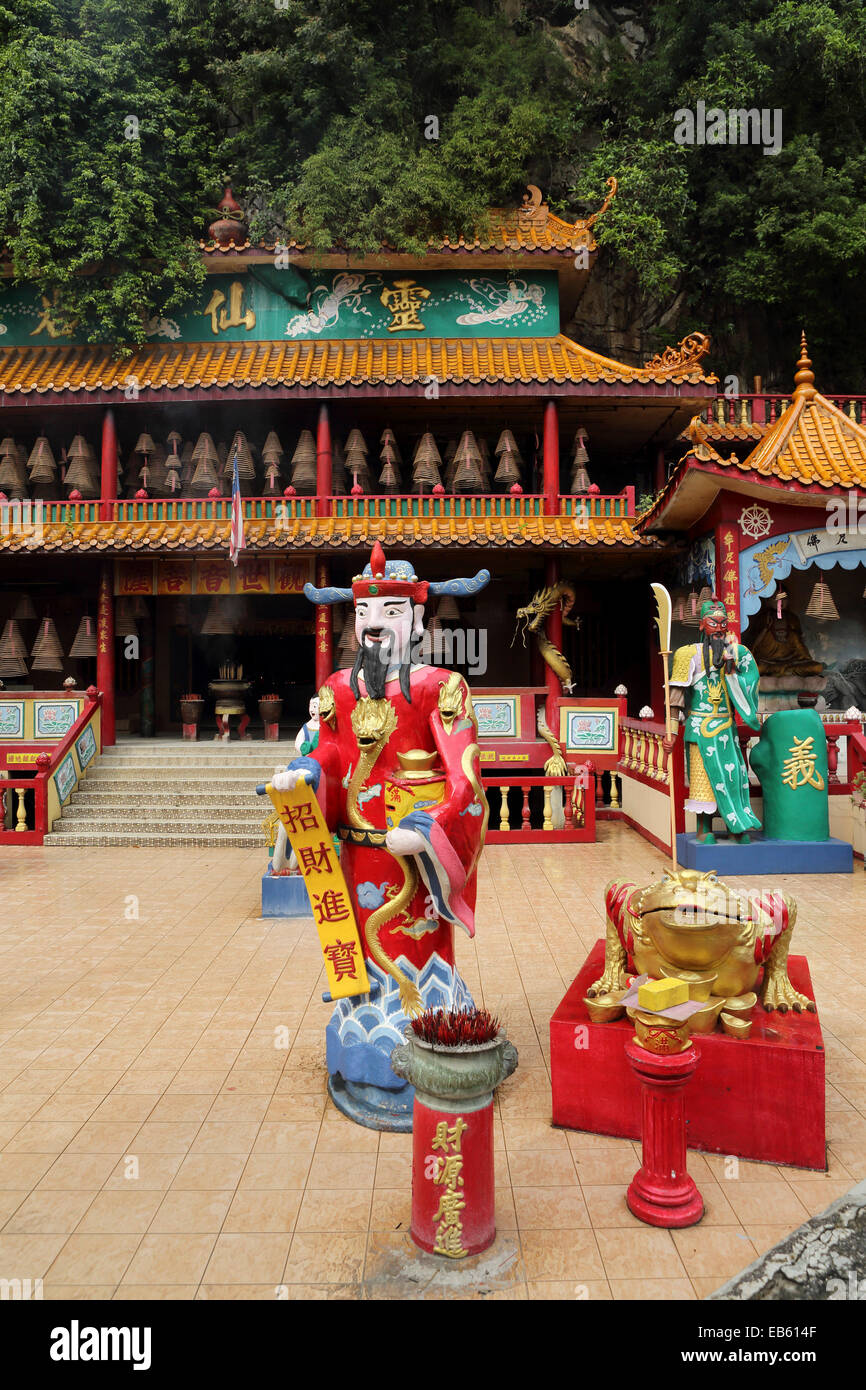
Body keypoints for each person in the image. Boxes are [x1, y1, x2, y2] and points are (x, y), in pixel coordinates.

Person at [271, 542, 490, 1129]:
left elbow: (464, 774)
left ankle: (428, 1054)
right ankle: (362, 1047)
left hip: (416, 860)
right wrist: (307, 772)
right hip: (357, 855)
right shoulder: (339, 689)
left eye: (392, 612)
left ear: (417, 621)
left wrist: (430, 827)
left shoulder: (441, 687)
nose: (374, 625)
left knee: (419, 953)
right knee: (362, 957)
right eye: (365, 612)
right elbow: (332, 752)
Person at [669, 596, 761, 845]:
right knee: (704, 780)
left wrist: (731, 670)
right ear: (702, 625)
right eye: (713, 623)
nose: (719, 629)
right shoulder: (688, 654)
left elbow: (751, 684)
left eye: (723, 624)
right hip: (699, 728)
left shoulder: (738, 653)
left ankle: (736, 826)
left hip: (726, 729)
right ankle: (703, 828)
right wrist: (672, 733)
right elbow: (675, 698)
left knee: (732, 779)